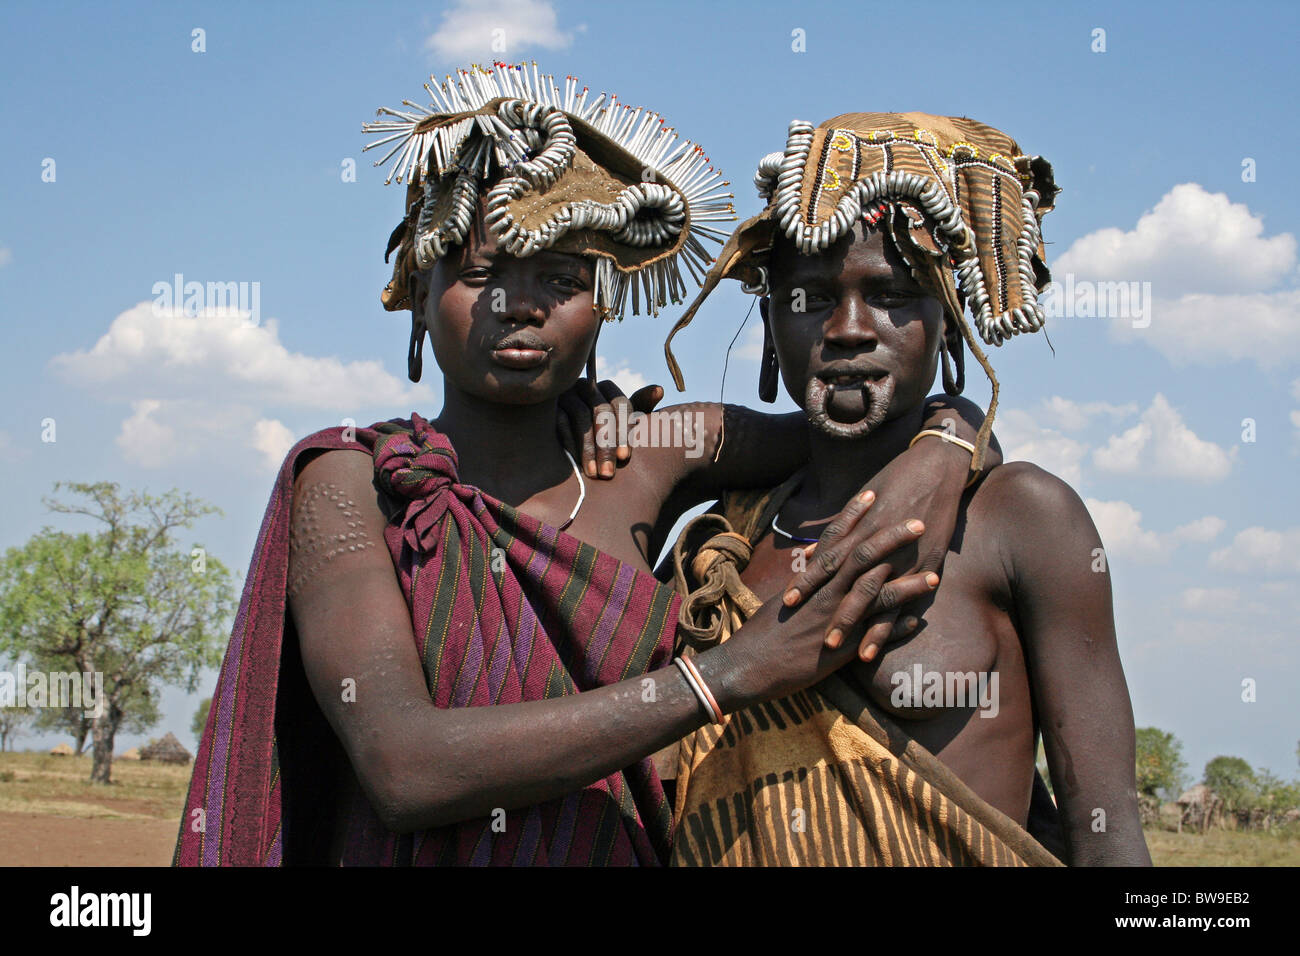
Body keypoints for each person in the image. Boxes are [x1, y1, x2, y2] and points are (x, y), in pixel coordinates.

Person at [175, 70, 997, 866]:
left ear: (602, 308)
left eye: (563, 279)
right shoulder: (359, 482)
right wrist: (728, 676)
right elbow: (402, 765)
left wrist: (949, 440)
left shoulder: (650, 459)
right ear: (418, 294)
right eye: (479, 274)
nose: (520, 305)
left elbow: (858, 422)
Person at [661, 112, 1151, 866]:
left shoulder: (1022, 518)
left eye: (892, 294)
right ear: (769, 331)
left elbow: (1111, 840)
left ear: (949, 330)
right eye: (813, 299)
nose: (850, 328)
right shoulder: (722, 544)